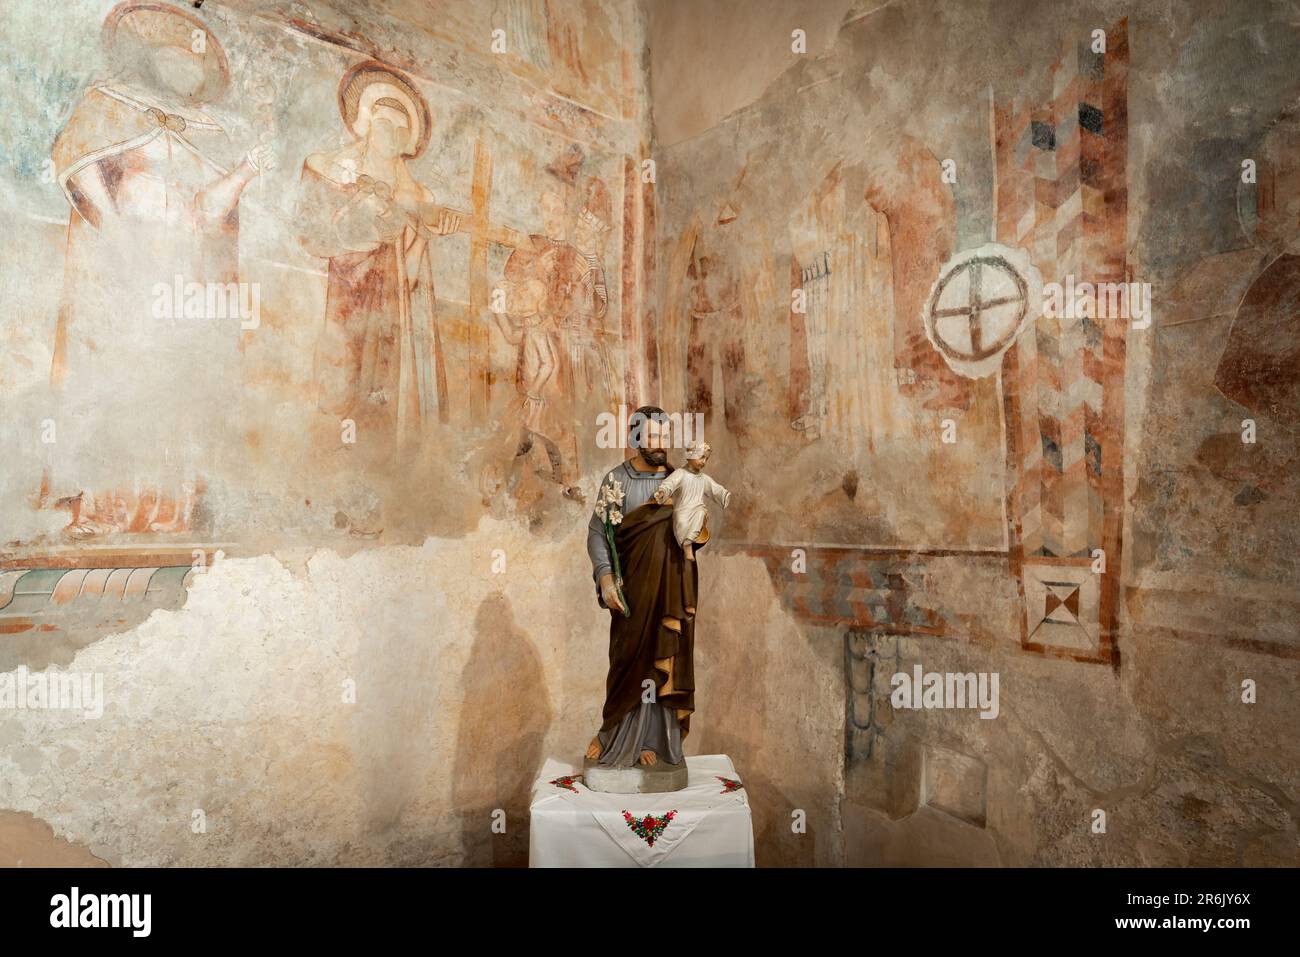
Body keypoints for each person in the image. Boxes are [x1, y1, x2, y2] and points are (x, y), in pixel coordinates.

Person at [585, 407, 697, 768]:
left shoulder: (679, 480)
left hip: (669, 591)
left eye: (665, 437)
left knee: (661, 659)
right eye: (653, 437)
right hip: (631, 592)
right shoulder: (616, 480)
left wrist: (697, 528)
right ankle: (612, 733)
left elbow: (690, 532)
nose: (661, 444)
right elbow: (598, 533)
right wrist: (605, 577)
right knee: (626, 662)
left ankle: (653, 740)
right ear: (636, 438)